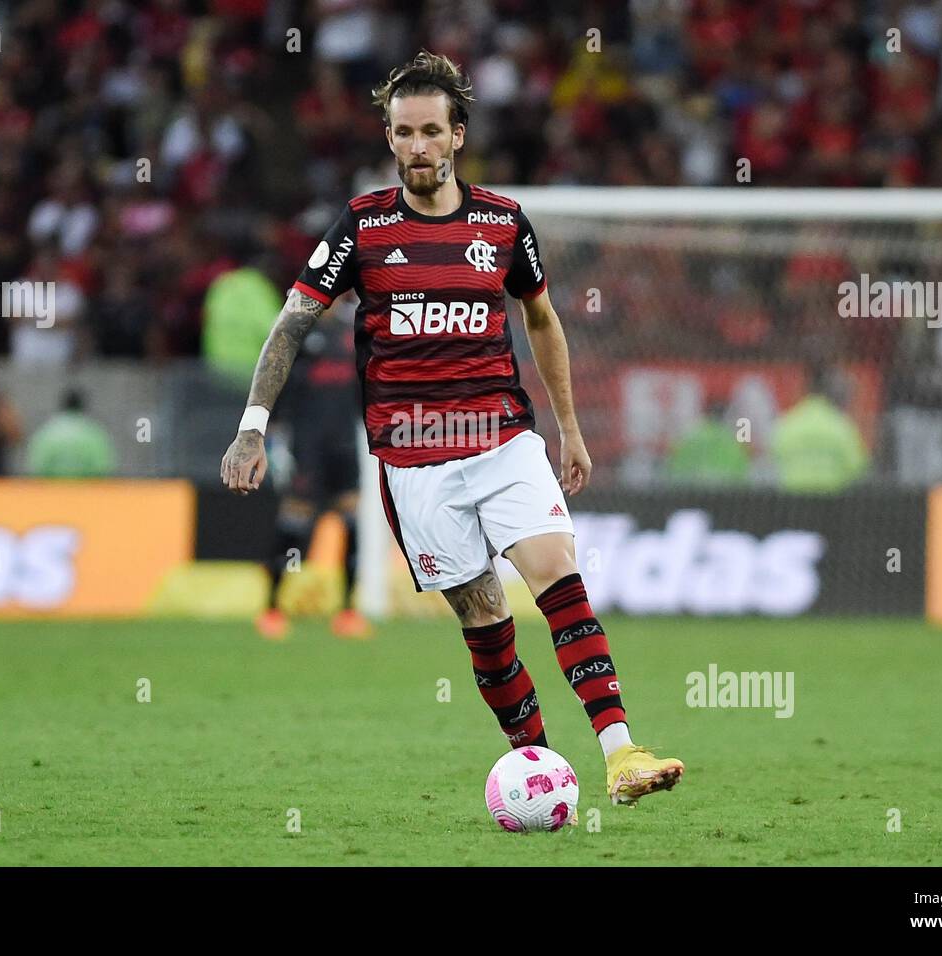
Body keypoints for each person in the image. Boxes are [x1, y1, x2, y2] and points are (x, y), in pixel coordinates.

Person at [222, 52, 683, 807]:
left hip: (503, 439)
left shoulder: (502, 222)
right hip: (414, 464)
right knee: (486, 620)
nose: (418, 147)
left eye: (432, 131)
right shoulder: (363, 227)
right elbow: (293, 321)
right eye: (404, 133)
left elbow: (541, 316)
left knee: (556, 573)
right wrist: (252, 426)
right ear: (390, 137)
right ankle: (536, 767)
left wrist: (568, 427)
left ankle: (621, 751)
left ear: (457, 134)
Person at [255, 297, 369, 640]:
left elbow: (364, 391)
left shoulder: (352, 334)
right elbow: (277, 385)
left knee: (351, 521)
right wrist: (271, 434)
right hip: (307, 446)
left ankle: (348, 610)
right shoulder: (298, 334)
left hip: (344, 445)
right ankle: (273, 607)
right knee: (295, 523)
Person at [772, 366, 870, 493]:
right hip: (831, 503)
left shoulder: (788, 423)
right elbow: (858, 469)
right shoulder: (841, 427)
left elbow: (773, 461)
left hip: (793, 502)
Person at [25, 389, 117, 478]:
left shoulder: (47, 432)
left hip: (52, 491)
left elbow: (37, 467)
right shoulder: (94, 432)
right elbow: (103, 468)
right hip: (87, 491)